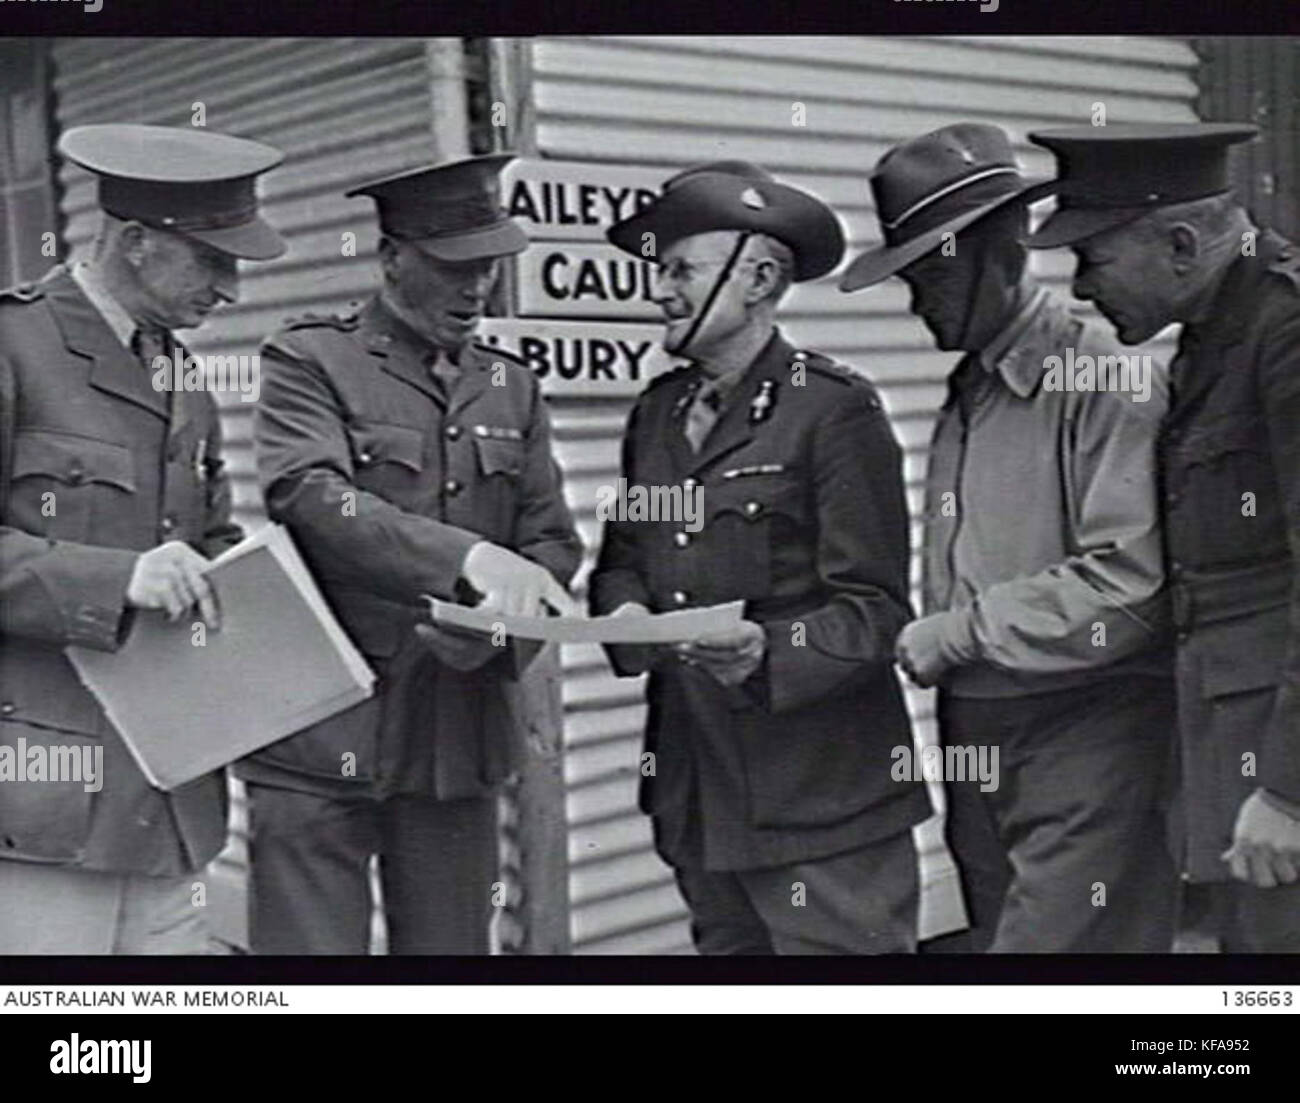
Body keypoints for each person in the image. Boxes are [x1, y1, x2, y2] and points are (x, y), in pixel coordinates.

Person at [841, 123, 1177, 952]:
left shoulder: (1104, 376)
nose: (917, 303)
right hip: (979, 726)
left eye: (932, 275)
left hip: (1087, 726)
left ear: (1002, 249)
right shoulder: (975, 383)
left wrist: (957, 632)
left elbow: (1129, 583)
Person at [242, 152, 583, 954]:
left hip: (454, 734)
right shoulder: (311, 359)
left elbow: (548, 542)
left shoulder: (512, 386)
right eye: (454, 267)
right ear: (393, 257)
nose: (477, 289)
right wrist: (470, 559)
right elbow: (309, 492)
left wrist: (501, 635)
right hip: (321, 725)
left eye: (489, 267)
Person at [590, 160, 929, 955]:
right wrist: (626, 610)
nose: (659, 292)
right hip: (700, 793)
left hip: (820, 803)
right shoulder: (657, 414)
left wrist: (766, 652)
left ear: (760, 279)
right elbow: (623, 556)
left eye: (680, 271)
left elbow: (874, 611)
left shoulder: (833, 410)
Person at [0, 123, 286, 953]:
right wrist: (115, 578)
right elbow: (137, 568)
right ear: (134, 242)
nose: (230, 289)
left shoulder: (180, 375)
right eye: (213, 260)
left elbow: (208, 539)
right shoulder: (15, 346)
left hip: (170, 799)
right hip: (44, 805)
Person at [1026, 122, 1300, 950]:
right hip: (1232, 751)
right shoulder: (1216, 332)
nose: (1081, 289)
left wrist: (1287, 789)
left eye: (1093, 259)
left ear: (1180, 244)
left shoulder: (1284, 332)